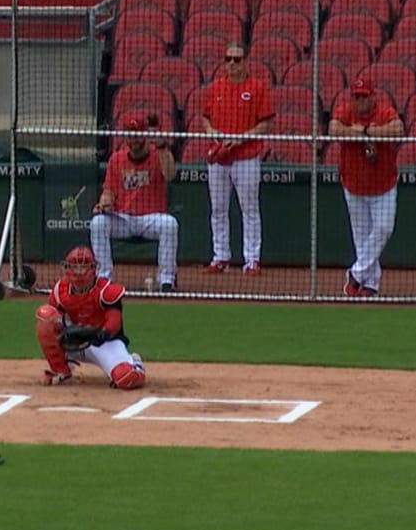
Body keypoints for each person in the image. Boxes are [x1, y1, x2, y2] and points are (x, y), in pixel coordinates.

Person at [201, 41, 275, 276]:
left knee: (249, 208)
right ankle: (220, 255)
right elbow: (205, 118)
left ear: (245, 62)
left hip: (246, 157)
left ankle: (251, 259)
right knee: (218, 209)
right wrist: (212, 132)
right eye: (228, 59)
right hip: (219, 157)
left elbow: (265, 123)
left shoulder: (257, 88)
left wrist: (242, 138)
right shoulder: (214, 88)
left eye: (237, 59)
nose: (232, 64)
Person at [327, 75, 405, 297]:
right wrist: (360, 133)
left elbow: (398, 129)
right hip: (354, 184)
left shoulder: (383, 111)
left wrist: (366, 132)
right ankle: (371, 285)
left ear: (373, 96)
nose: (360, 100)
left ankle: (356, 274)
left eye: (364, 96)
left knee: (383, 228)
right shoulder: (345, 111)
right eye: (356, 96)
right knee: (360, 238)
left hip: (383, 185)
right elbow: (333, 129)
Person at [34, 245, 147, 389]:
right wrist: (67, 331)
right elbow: (55, 319)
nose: (79, 272)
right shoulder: (60, 290)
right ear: (67, 268)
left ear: (93, 268)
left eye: (83, 267)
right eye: (74, 267)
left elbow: (114, 322)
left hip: (105, 343)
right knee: (45, 316)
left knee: (125, 378)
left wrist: (99, 333)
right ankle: (61, 369)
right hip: (75, 344)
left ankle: (135, 364)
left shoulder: (106, 290)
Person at [89, 114, 179, 291]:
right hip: (124, 219)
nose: (134, 140)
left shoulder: (158, 154)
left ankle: (166, 280)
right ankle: (103, 278)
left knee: (170, 224)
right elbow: (109, 191)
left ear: (145, 135)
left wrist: (161, 146)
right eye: (130, 135)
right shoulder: (116, 158)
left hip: (151, 218)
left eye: (137, 135)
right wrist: (104, 203)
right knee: (97, 223)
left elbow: (170, 175)